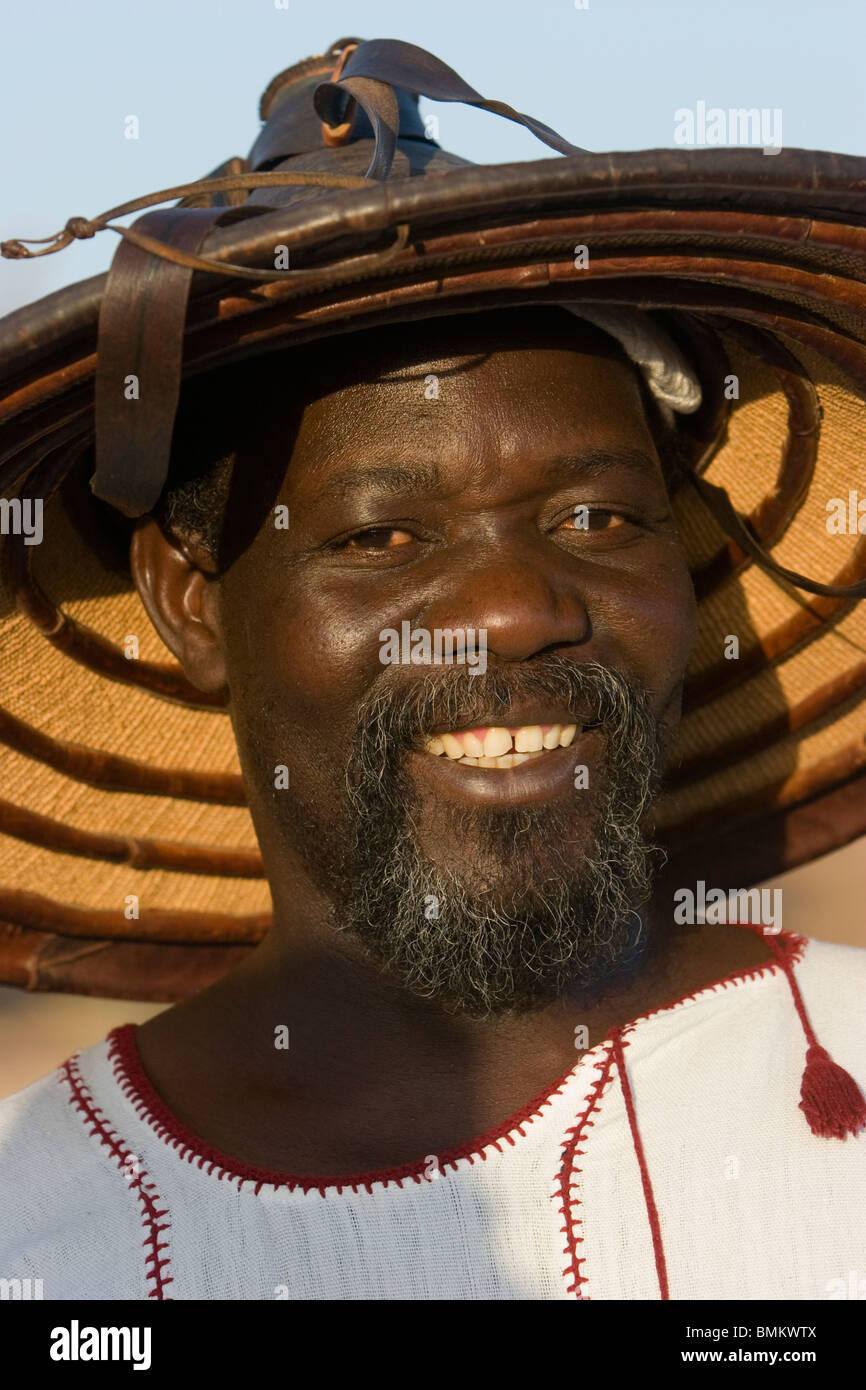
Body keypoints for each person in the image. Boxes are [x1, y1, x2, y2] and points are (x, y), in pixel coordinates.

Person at [0, 37, 863, 1301]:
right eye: (381, 537)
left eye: (593, 519)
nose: (516, 612)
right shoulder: (39, 1237)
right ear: (191, 603)